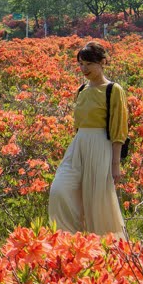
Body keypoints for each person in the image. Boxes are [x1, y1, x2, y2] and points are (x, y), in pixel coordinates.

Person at [49, 42, 128, 237]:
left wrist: (115, 164)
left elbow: (118, 129)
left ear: (102, 62)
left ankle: (103, 247)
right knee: (59, 189)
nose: (84, 69)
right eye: (81, 64)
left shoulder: (113, 89)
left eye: (88, 64)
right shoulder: (82, 89)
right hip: (79, 144)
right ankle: (71, 239)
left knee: (97, 201)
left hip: (101, 145)